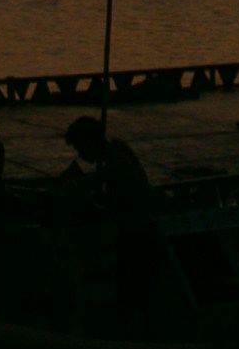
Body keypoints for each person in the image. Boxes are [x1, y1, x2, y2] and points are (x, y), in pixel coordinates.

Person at [61, 113, 163, 316]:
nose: (80, 155)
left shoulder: (116, 164)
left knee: (131, 300)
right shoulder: (119, 150)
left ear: (89, 143)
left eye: (80, 149)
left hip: (137, 238)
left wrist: (85, 199)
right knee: (140, 302)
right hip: (145, 234)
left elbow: (114, 203)